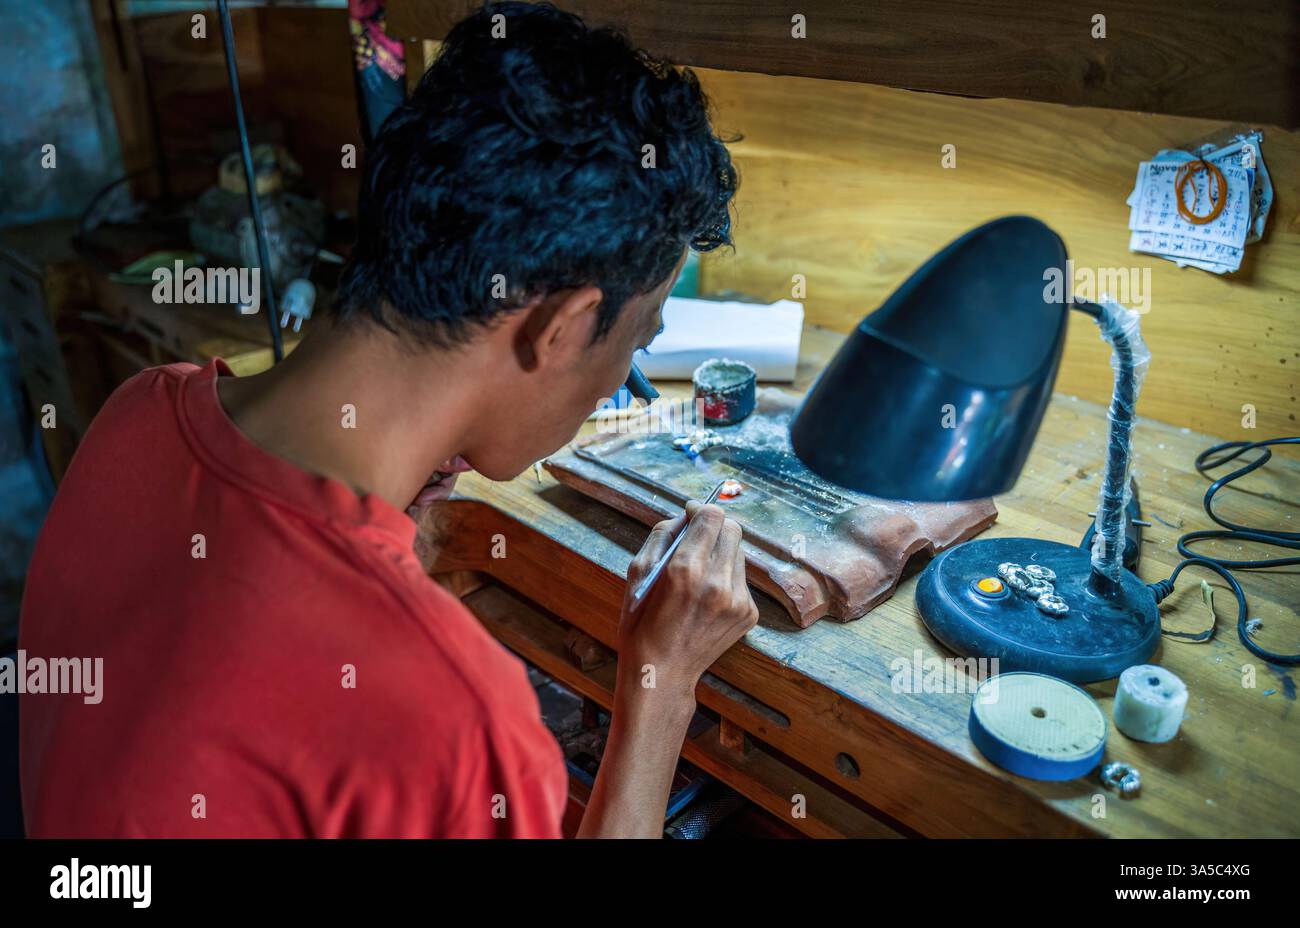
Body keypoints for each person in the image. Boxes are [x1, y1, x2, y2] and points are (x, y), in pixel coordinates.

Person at [19, 1, 754, 837]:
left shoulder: (139, 409)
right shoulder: (453, 709)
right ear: (561, 328)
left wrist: (381, 545)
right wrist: (660, 683)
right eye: (636, 340)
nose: (620, 379)